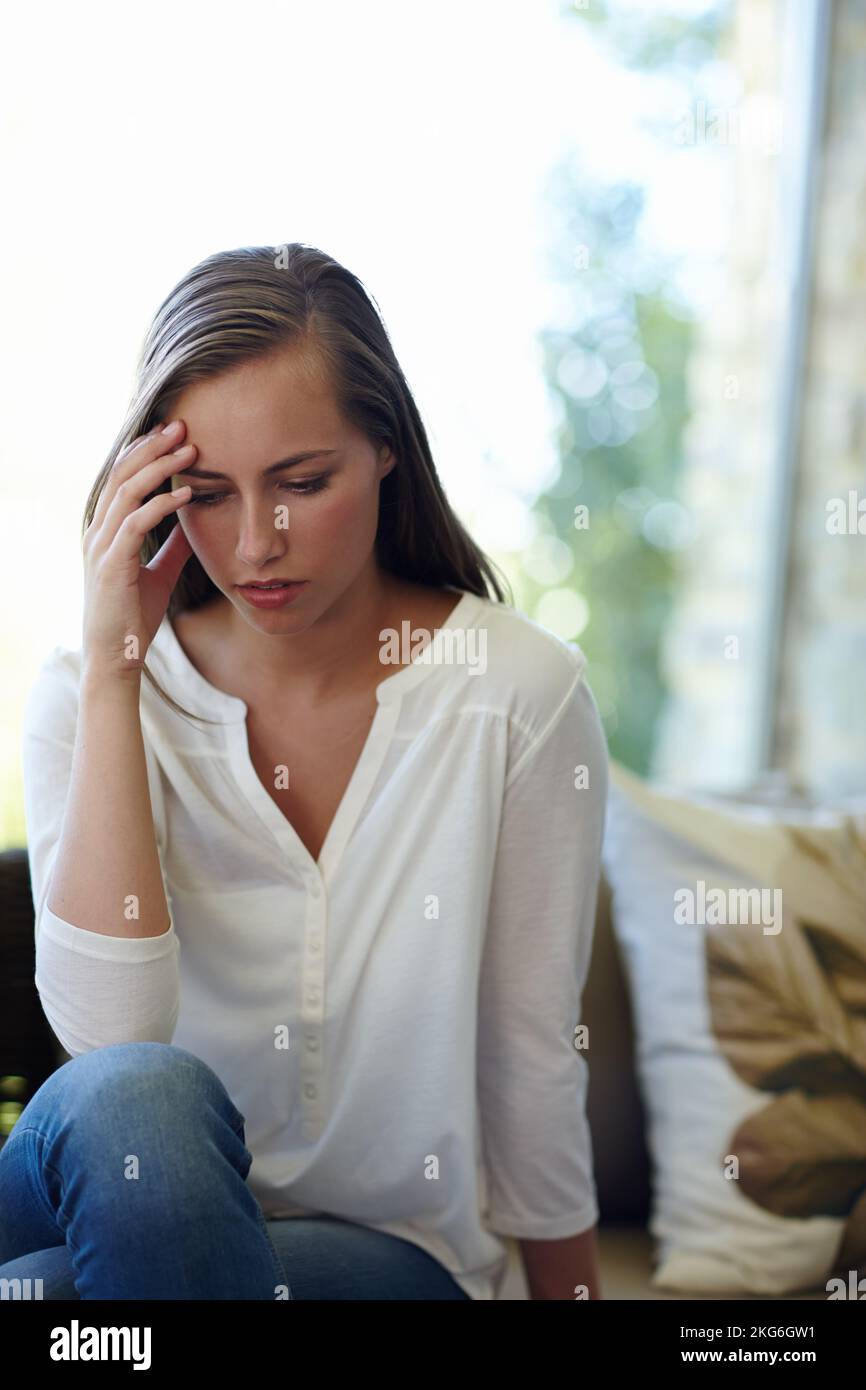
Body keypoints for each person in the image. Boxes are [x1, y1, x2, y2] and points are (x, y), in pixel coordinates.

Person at [2, 242, 607, 1300]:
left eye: (300, 481)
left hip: (388, 1252)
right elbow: (107, 1042)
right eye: (206, 492)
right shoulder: (92, 689)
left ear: (385, 447)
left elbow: (530, 1056)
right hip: (107, 1176)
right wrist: (112, 674)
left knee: (57, 1296)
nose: (253, 547)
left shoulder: (517, 693)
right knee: (137, 1098)